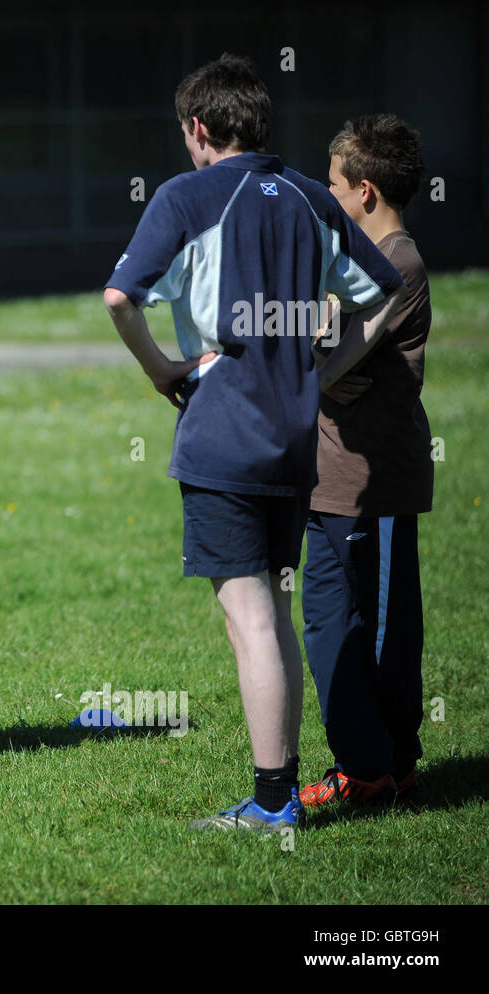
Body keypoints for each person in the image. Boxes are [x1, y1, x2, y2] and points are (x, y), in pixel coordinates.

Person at [102, 55, 405, 832]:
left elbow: (119, 297)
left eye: (185, 132)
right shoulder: (311, 196)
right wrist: (327, 365)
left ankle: (272, 803)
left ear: (199, 128)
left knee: (250, 619)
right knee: (269, 605)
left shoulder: (185, 195)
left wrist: (162, 369)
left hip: (222, 434)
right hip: (296, 439)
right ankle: (280, 793)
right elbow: (383, 293)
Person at [300, 114, 432, 808]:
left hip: (375, 479)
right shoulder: (350, 264)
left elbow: (328, 364)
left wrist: (325, 356)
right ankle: (364, 761)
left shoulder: (399, 264)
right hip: (329, 476)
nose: (325, 198)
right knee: (326, 624)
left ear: (367, 194)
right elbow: (321, 346)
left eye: (333, 186)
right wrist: (325, 349)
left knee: (380, 628)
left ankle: (386, 768)